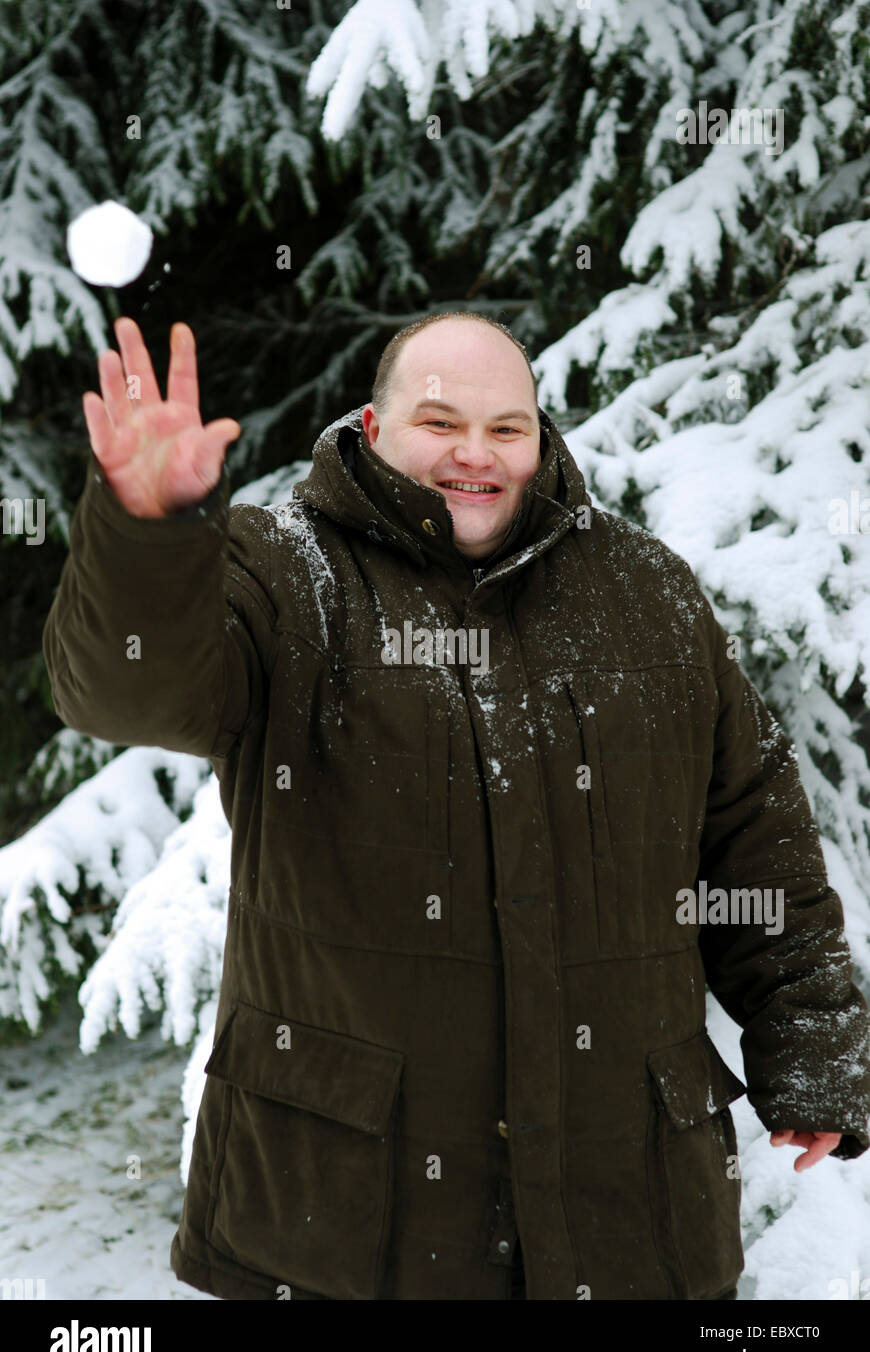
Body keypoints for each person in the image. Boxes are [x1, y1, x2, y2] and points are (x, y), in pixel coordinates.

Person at [42, 312, 870, 1301]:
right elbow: (124, 689)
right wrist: (148, 537)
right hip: (345, 1233)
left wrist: (811, 1040)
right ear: (373, 424)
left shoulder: (647, 592)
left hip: (634, 1219)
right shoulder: (284, 574)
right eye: (439, 420)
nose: (476, 453)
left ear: (539, 434)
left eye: (507, 427)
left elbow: (752, 833)